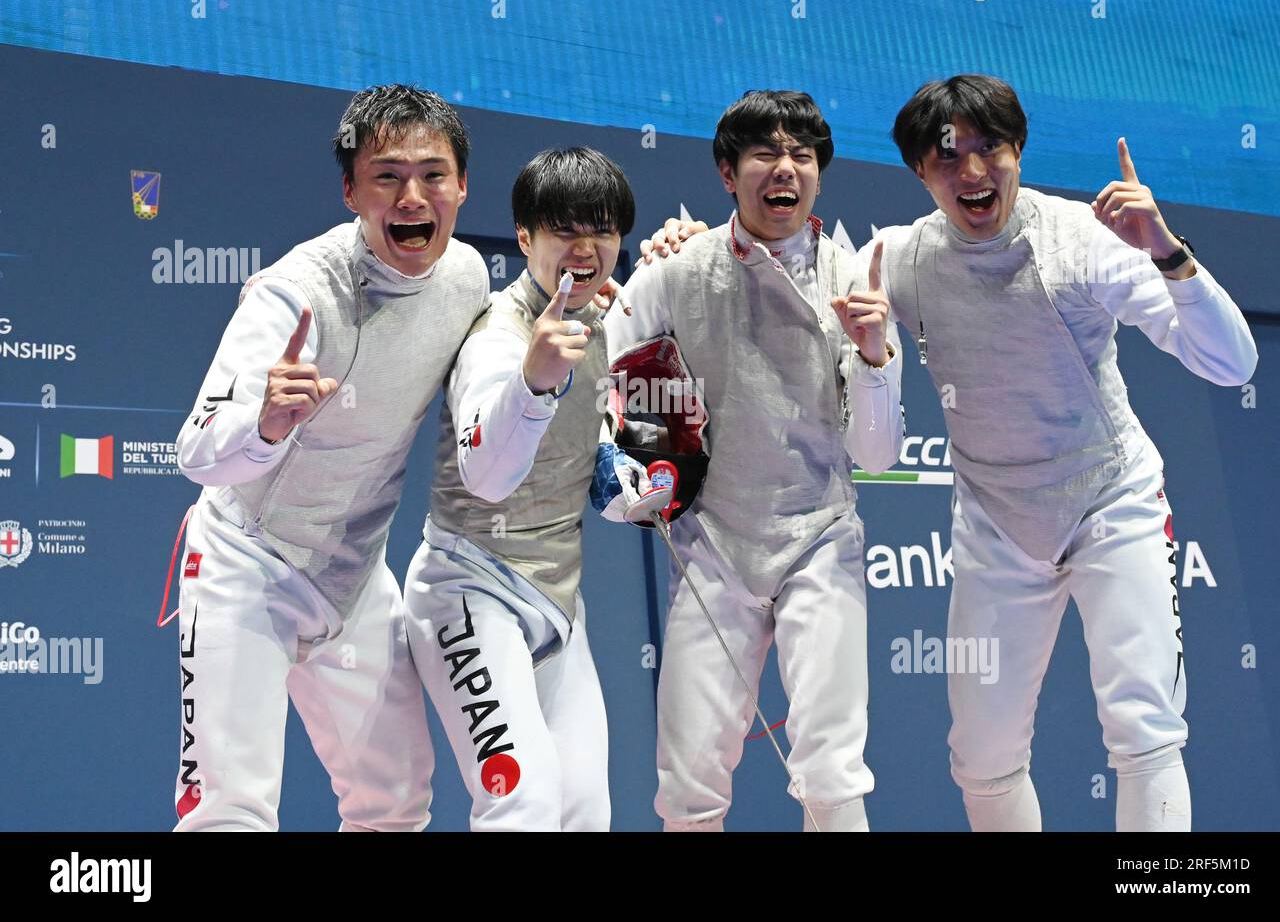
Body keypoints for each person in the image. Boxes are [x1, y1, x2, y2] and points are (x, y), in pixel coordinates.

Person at [872, 74, 1258, 831]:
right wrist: (687, 249)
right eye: (949, 157)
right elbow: (801, 298)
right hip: (996, 522)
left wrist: (1168, 253)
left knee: (1143, 724)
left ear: (1020, 151)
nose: (974, 173)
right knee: (980, 756)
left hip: (1110, 499)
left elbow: (1232, 363)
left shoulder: (1081, 236)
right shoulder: (897, 261)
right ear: (920, 170)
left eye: (992, 149)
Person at [172, 84, 490, 831]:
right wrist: (264, 422)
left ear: (462, 185)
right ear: (351, 190)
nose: (412, 197)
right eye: (387, 176)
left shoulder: (469, 278)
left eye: (433, 174)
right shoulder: (296, 293)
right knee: (231, 812)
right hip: (244, 564)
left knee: (396, 804)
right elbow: (196, 446)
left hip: (352, 579)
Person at [608, 90, 904, 832]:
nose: (786, 170)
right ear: (726, 171)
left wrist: (875, 357)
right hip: (715, 547)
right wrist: (627, 466)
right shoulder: (677, 271)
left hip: (821, 541)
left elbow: (876, 453)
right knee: (687, 787)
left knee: (834, 773)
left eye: (802, 155)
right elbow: (608, 378)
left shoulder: (855, 278)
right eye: (766, 154)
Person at [403, 147, 646, 831]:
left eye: (601, 229)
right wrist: (533, 383)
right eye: (565, 229)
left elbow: (592, 445)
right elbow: (487, 475)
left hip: (558, 602)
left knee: (582, 813)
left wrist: (619, 481)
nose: (585, 246)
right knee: (523, 802)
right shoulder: (498, 337)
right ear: (524, 237)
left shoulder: (604, 323)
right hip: (468, 587)